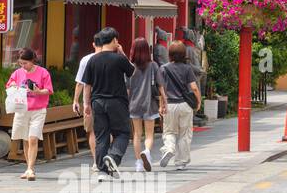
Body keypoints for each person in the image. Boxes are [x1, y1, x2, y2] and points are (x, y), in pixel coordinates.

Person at [82, 28, 135, 181]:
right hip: (117, 101)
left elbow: (87, 85)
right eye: (117, 40)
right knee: (123, 133)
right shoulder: (119, 59)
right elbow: (132, 71)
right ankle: (114, 156)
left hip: (97, 102)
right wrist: (123, 53)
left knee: (101, 136)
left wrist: (86, 104)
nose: (118, 43)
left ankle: (102, 172)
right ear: (113, 40)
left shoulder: (93, 59)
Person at [7, 49, 53, 181]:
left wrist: (38, 91)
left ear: (32, 61)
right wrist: (13, 85)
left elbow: (49, 90)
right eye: (20, 63)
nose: (23, 66)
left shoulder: (43, 72)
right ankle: (28, 168)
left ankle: (31, 169)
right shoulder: (17, 73)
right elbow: (9, 84)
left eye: (25, 63)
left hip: (38, 110)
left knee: (33, 139)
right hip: (22, 109)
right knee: (25, 139)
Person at [160, 41, 202, 170]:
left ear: (170, 54)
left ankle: (169, 148)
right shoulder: (187, 68)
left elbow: (161, 89)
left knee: (169, 131)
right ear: (184, 54)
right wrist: (198, 101)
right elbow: (194, 88)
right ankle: (181, 162)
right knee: (184, 134)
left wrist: (161, 105)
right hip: (184, 105)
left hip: (170, 104)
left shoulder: (164, 68)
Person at [127, 37, 165, 172]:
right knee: (149, 134)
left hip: (134, 104)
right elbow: (160, 85)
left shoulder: (130, 67)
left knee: (137, 134)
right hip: (149, 103)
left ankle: (138, 163)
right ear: (147, 50)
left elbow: (127, 88)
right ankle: (147, 152)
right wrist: (164, 101)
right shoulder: (153, 65)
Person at [72, 42, 104, 145]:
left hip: (90, 101)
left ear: (94, 44)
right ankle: (108, 157)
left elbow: (80, 83)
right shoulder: (112, 58)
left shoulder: (86, 60)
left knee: (93, 132)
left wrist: (76, 100)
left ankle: (95, 160)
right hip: (108, 99)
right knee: (108, 130)